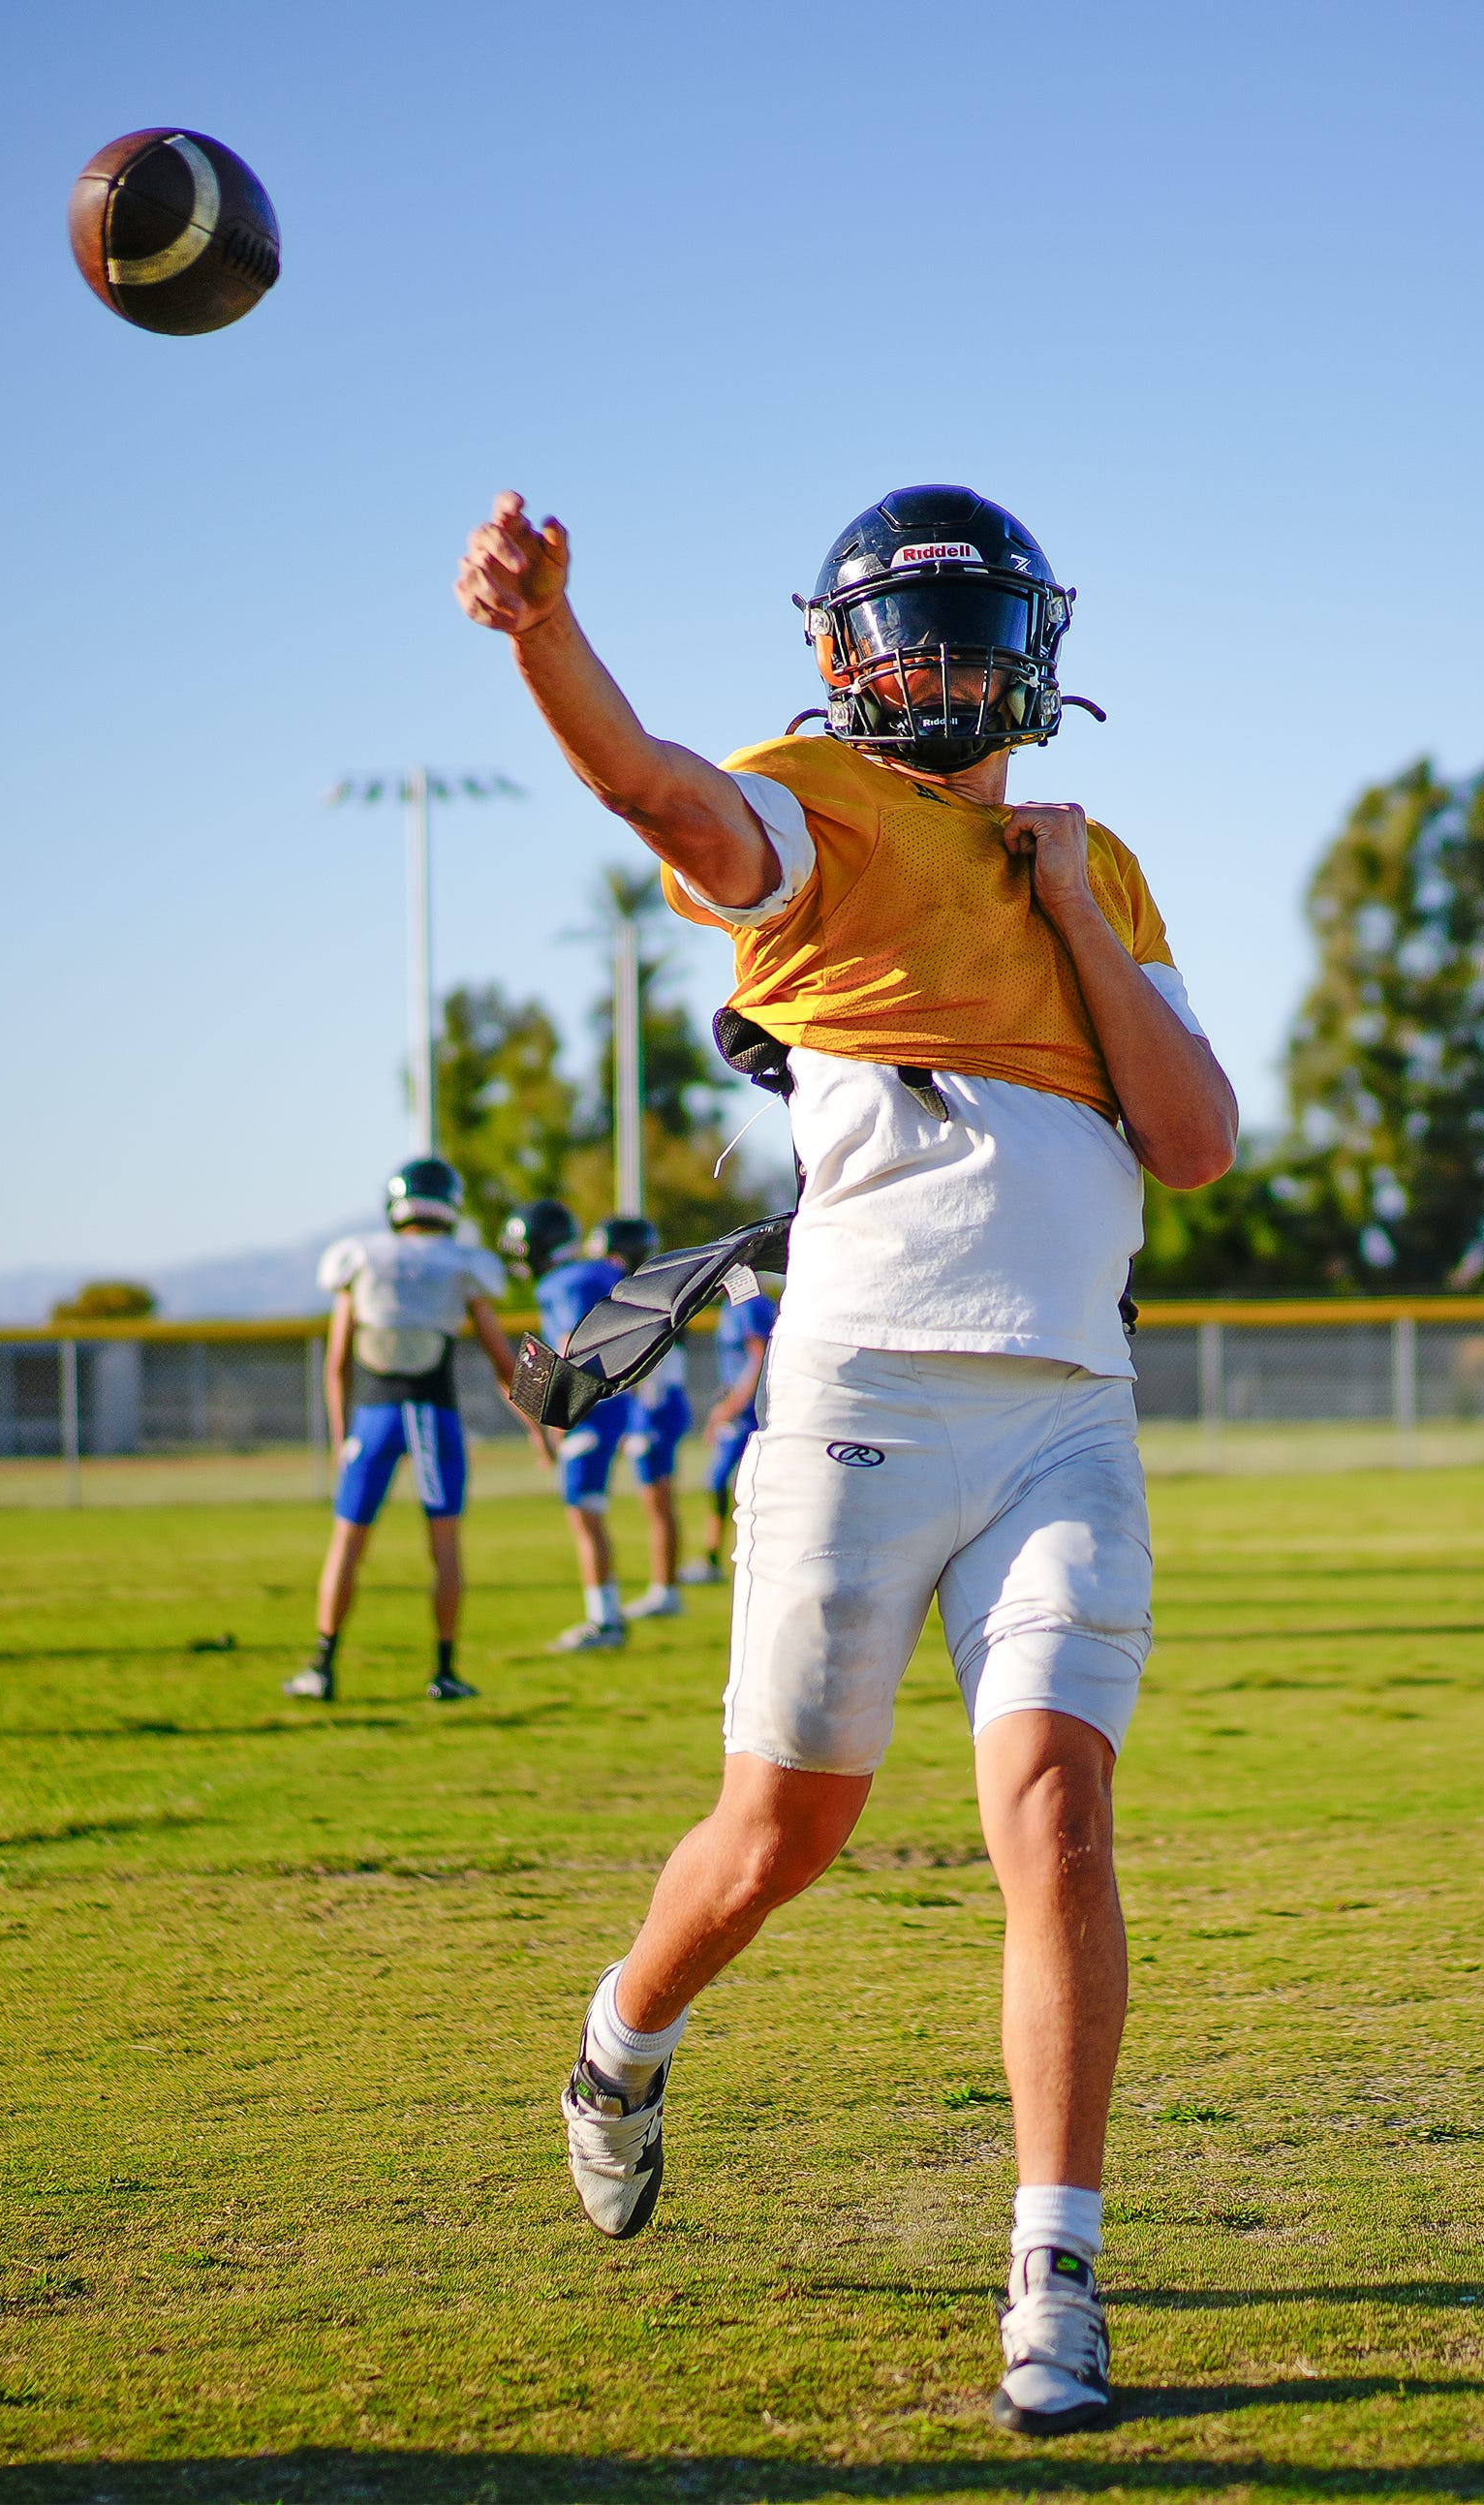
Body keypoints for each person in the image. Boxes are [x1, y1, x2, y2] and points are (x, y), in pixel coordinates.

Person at [459, 481, 1237, 2436]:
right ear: (839, 653)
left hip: (1068, 1414)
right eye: (915, 630)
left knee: (1056, 1823)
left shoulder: (1103, 864)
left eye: (979, 629)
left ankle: (1053, 2277)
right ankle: (620, 2041)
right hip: (861, 1410)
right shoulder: (807, 800)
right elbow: (654, 796)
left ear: (1033, 648)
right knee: (780, 1838)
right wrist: (547, 636)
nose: (950, 667)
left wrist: (1063, 901)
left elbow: (1200, 1138)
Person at [295, 1157, 521, 1703]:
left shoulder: (361, 1256)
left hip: (372, 1416)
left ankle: (322, 1666)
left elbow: (337, 1362)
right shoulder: (462, 1264)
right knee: (443, 1546)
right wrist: (539, 1429)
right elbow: (501, 1361)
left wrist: (339, 1436)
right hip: (431, 1414)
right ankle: (444, 1670)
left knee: (347, 1543)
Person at [534, 1215, 695, 1647]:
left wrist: (555, 1414)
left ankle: (606, 1621)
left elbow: (571, 1341)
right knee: (592, 1511)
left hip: (595, 1408)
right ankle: (611, 1615)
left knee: (586, 1511)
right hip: (616, 1407)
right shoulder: (617, 1281)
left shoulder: (567, 1282)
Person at [676, 1274, 775, 1587]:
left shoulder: (751, 1306)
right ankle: (719, 1557)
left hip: (750, 1413)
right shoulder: (732, 1308)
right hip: (739, 1410)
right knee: (726, 1483)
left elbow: (758, 1359)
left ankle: (718, 1558)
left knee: (731, 1483)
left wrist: (731, 1406)